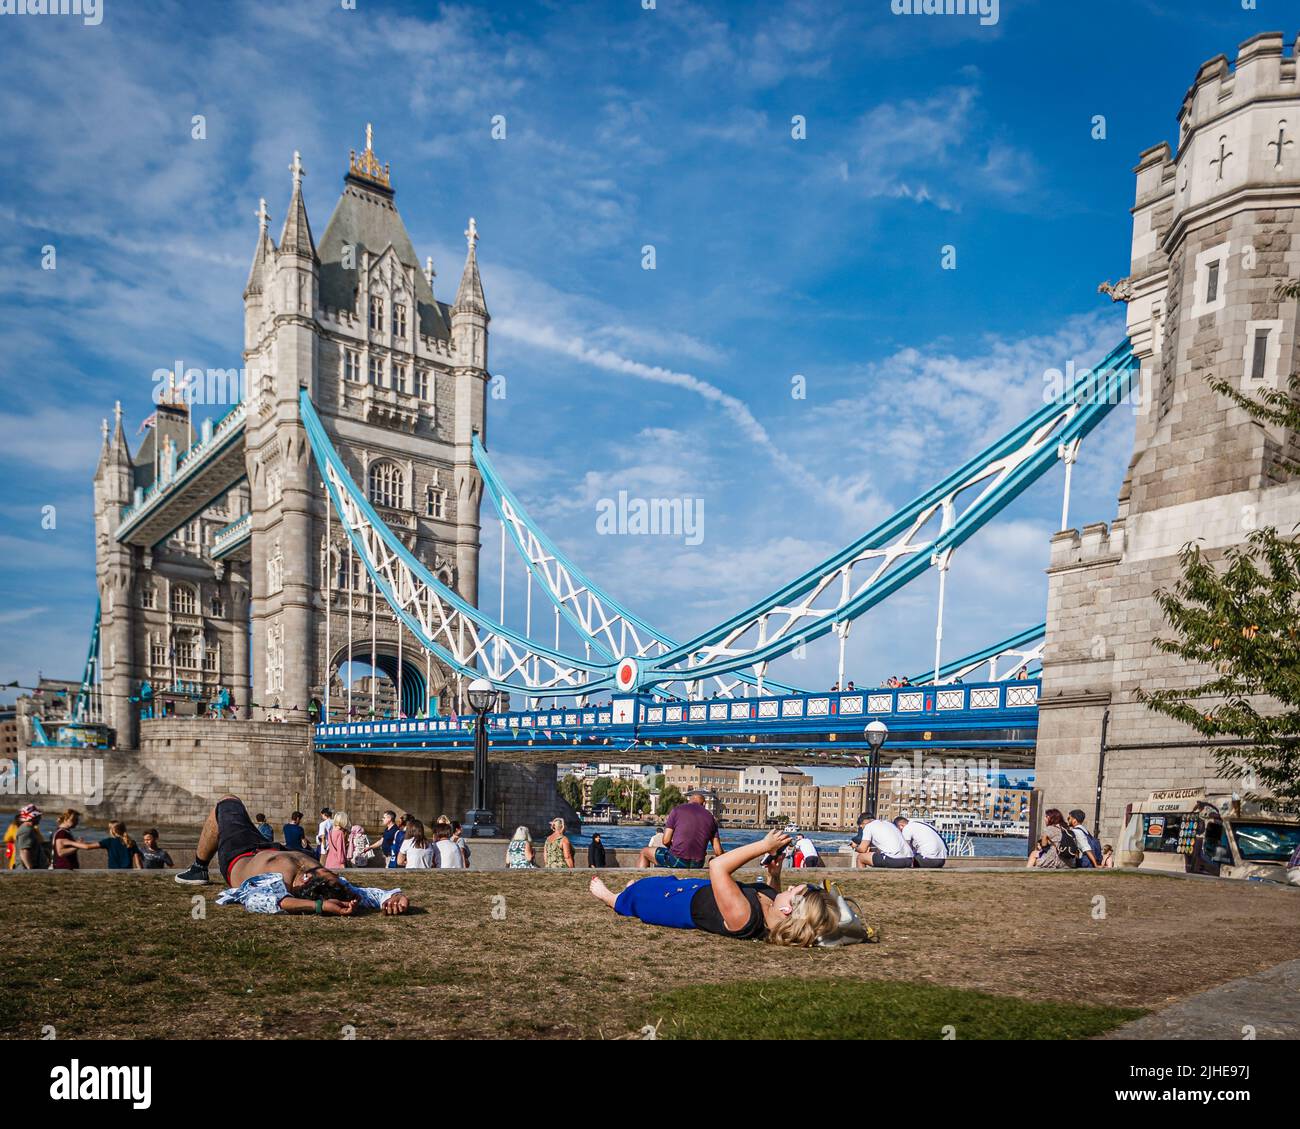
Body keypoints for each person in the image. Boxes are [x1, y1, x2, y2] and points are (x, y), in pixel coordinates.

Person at [588, 831, 841, 946]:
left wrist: (763, 845)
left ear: (787, 909)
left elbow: (718, 866)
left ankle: (611, 897)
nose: (793, 886)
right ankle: (634, 887)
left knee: (636, 901)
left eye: (795, 890)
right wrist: (774, 876)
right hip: (692, 890)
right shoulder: (774, 908)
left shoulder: (745, 916)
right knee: (658, 883)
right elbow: (774, 895)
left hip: (676, 907)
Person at [173, 795, 410, 915]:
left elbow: (260, 902)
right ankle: (198, 866)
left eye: (325, 870)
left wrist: (319, 907)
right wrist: (393, 897)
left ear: (307, 878)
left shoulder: (278, 882)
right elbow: (362, 893)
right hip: (269, 847)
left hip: (239, 852)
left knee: (227, 803)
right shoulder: (328, 883)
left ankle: (198, 867)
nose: (334, 873)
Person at [637, 788, 722, 869]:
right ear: (704, 804)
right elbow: (718, 851)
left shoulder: (676, 810)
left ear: (689, 801)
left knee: (644, 852)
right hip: (698, 863)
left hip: (676, 859)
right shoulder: (711, 818)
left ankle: (640, 882)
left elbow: (666, 840)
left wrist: (674, 848)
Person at [14, 804, 47, 870]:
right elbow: (24, 851)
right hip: (25, 870)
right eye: (38, 816)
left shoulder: (29, 829)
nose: (40, 818)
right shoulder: (26, 830)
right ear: (32, 817)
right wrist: (30, 869)